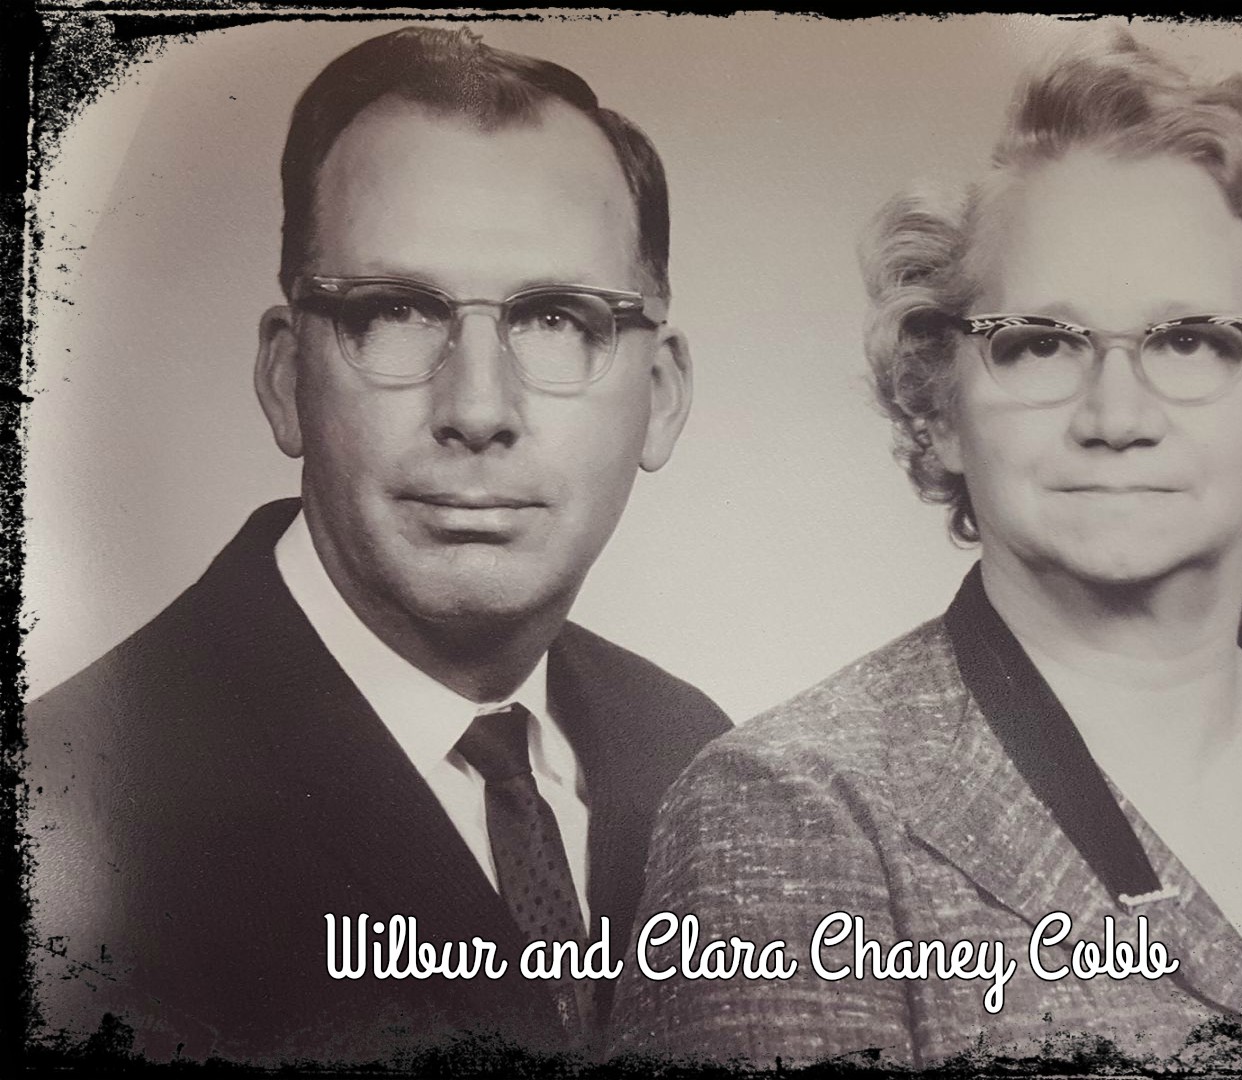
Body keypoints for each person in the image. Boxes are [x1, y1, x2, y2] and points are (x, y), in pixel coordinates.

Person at [612, 32, 1242, 1072]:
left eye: (1192, 340)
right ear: (937, 405)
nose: (1118, 415)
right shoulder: (791, 810)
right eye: (1039, 343)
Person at [25, 27, 729, 1064]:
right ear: (284, 380)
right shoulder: (67, 823)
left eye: (556, 318)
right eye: (394, 312)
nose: (479, 409)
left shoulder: (699, 760)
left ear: (659, 398)